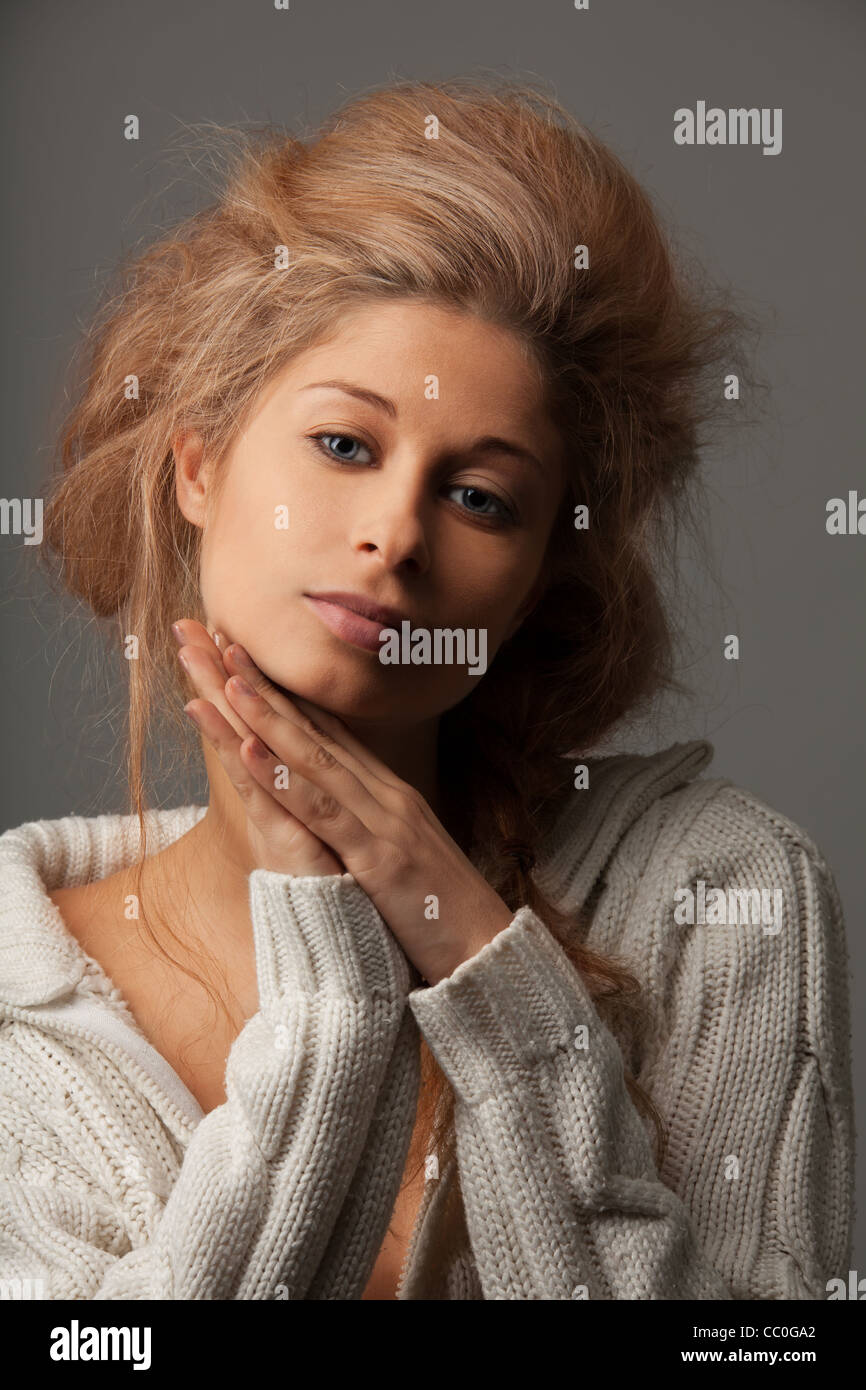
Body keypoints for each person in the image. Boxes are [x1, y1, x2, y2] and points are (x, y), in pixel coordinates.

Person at [0, 76, 853, 1300]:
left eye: (479, 498)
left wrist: (462, 936)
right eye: (343, 445)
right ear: (198, 462)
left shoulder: (715, 893)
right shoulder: (21, 1011)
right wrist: (336, 1012)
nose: (395, 535)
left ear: (538, 583)